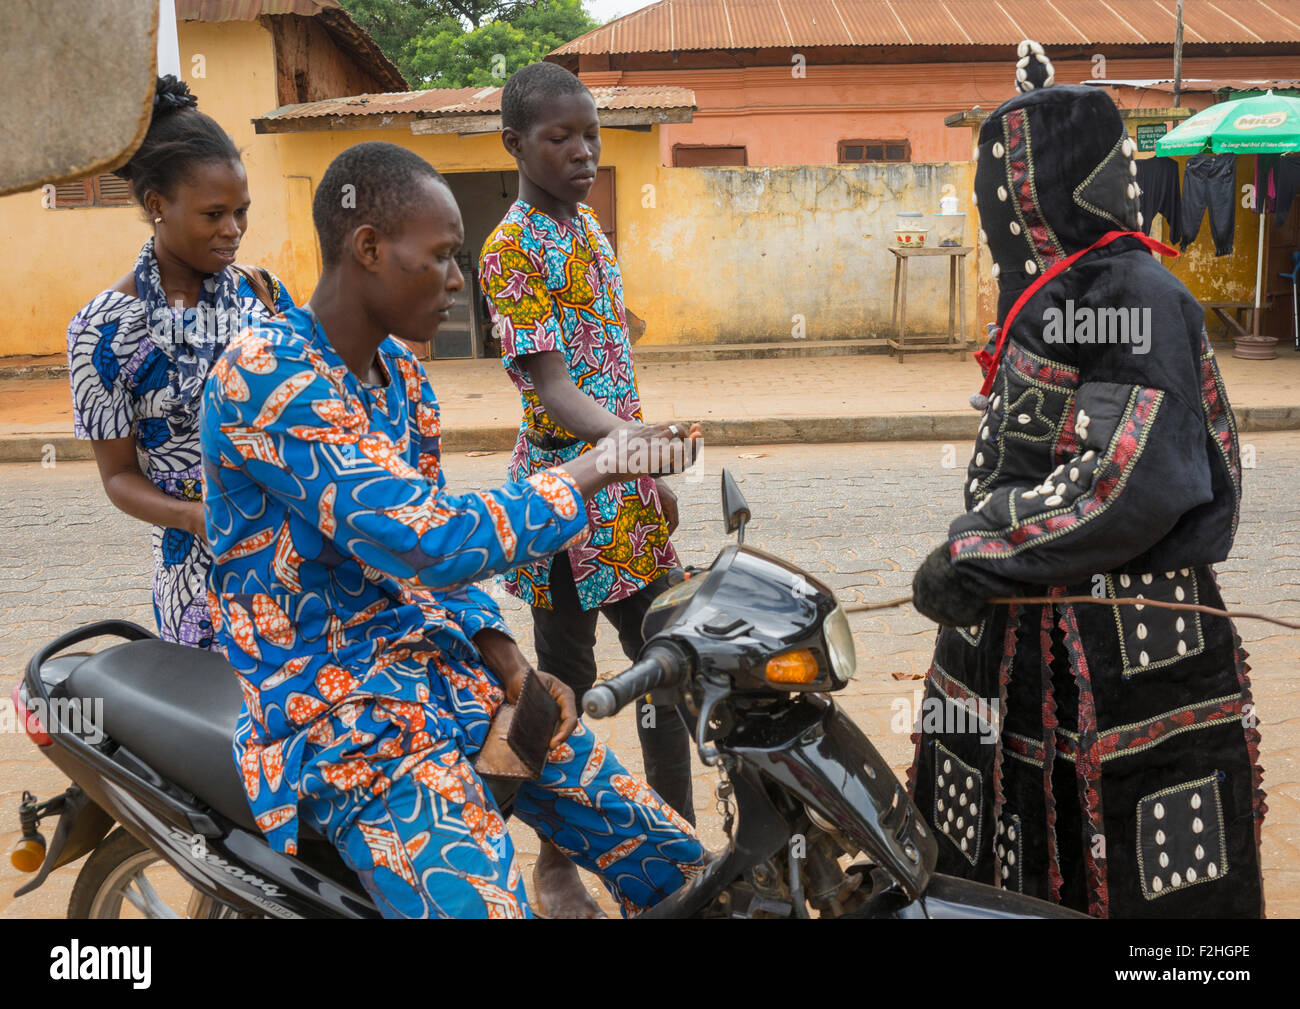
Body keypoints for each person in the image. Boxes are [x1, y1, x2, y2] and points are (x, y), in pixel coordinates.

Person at [200, 141, 706, 919]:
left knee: (672, 856)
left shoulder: (400, 375)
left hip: (440, 674)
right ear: (368, 247)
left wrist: (507, 661)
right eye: (440, 256)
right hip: (340, 715)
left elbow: (436, 568)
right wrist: (605, 460)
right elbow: (429, 540)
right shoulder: (268, 373)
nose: (458, 282)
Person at [908, 42, 1265, 918]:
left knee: (1140, 878)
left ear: (1047, 185)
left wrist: (978, 552)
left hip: (1120, 647)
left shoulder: (1134, 294)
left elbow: (1126, 483)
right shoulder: (1062, 291)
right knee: (1010, 840)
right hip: (1023, 633)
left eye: (1004, 186)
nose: (994, 213)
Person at [479, 61, 695, 917]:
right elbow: (555, 388)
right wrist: (634, 446)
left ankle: (675, 851)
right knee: (560, 689)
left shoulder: (592, 234)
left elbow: (613, 370)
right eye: (558, 137)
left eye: (590, 136)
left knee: (668, 670)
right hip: (563, 503)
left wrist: (644, 472)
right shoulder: (509, 250)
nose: (581, 151)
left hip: (624, 498)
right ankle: (552, 863)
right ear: (515, 144)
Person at [67, 75, 294, 649]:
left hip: (299, 565)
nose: (234, 230)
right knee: (213, 730)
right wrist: (196, 518)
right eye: (214, 213)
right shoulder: (104, 331)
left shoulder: (263, 294)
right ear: (156, 205)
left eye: (241, 211)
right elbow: (118, 478)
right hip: (200, 586)